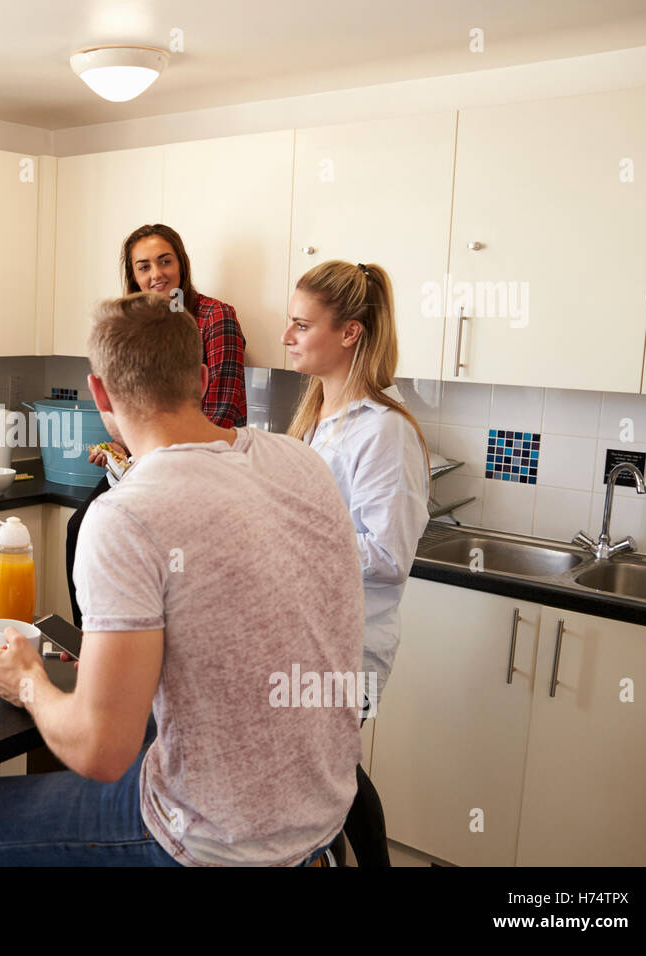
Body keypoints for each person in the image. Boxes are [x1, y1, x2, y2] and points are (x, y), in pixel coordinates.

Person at [0, 292, 365, 866]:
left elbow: (102, 751)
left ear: (99, 393)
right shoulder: (301, 462)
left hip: (211, 840)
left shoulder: (126, 515)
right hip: (323, 816)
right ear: (198, 376)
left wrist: (27, 682)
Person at [283, 261, 431, 868]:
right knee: (329, 777)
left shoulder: (384, 432)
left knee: (330, 779)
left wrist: (291, 537)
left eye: (301, 325)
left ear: (350, 333)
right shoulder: (318, 414)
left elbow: (390, 556)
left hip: (349, 645)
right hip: (309, 635)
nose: (288, 336)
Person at [65, 223, 248, 627]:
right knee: (81, 526)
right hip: (144, 463)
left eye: (165, 261)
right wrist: (121, 455)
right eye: (143, 266)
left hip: (202, 467)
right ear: (133, 276)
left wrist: (148, 458)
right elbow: (133, 411)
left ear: (181, 265)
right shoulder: (133, 329)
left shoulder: (215, 318)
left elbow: (219, 412)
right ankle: (91, 642)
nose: (156, 274)